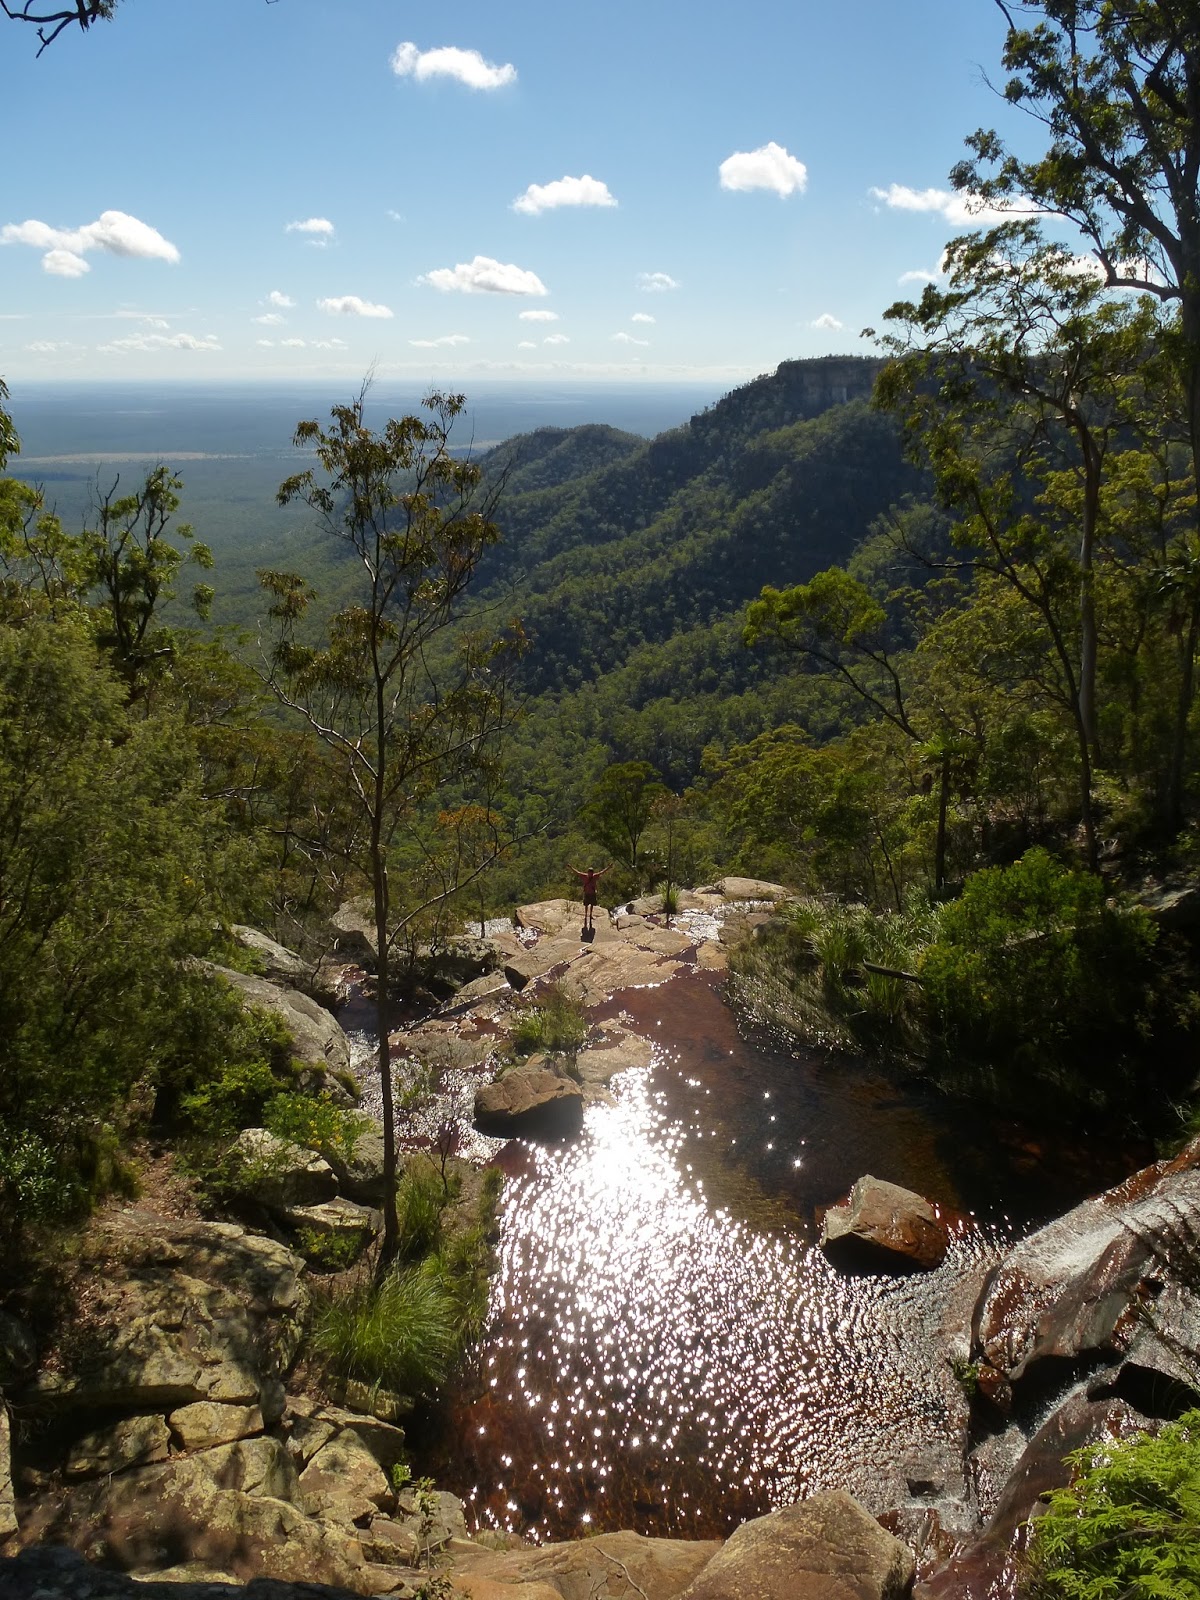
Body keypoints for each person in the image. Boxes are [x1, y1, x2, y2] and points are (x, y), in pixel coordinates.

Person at [570, 863, 610, 931]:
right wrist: (570, 867)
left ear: (592, 873)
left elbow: (602, 872)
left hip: (592, 893)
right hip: (587, 893)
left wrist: (609, 867)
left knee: (592, 905)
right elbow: (577, 872)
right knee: (586, 905)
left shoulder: (595, 876)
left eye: (591, 873)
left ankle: (590, 915)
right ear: (588, 872)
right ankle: (586, 915)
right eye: (589, 873)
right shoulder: (585, 876)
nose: (590, 874)